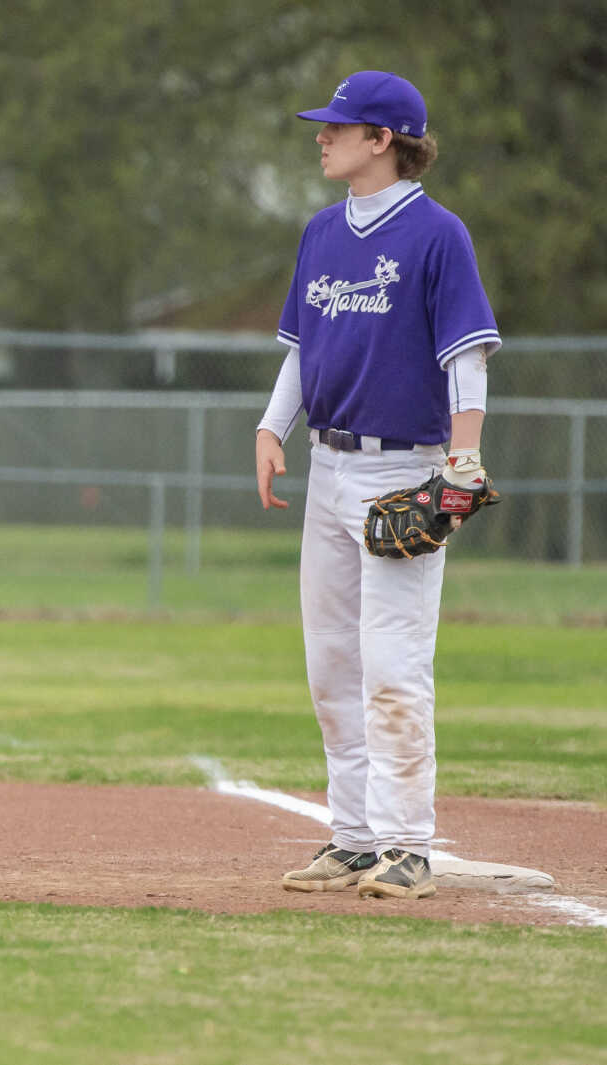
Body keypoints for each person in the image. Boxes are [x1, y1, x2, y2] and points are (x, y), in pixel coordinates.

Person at [254, 73, 500, 900]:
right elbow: (302, 348)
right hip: (328, 463)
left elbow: (465, 353)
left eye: (338, 126)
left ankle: (408, 845)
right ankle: (355, 839)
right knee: (331, 662)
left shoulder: (437, 235)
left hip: (403, 466)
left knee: (393, 661)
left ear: (382, 139)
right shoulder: (322, 233)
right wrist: (270, 427)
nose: (322, 137)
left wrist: (463, 458)